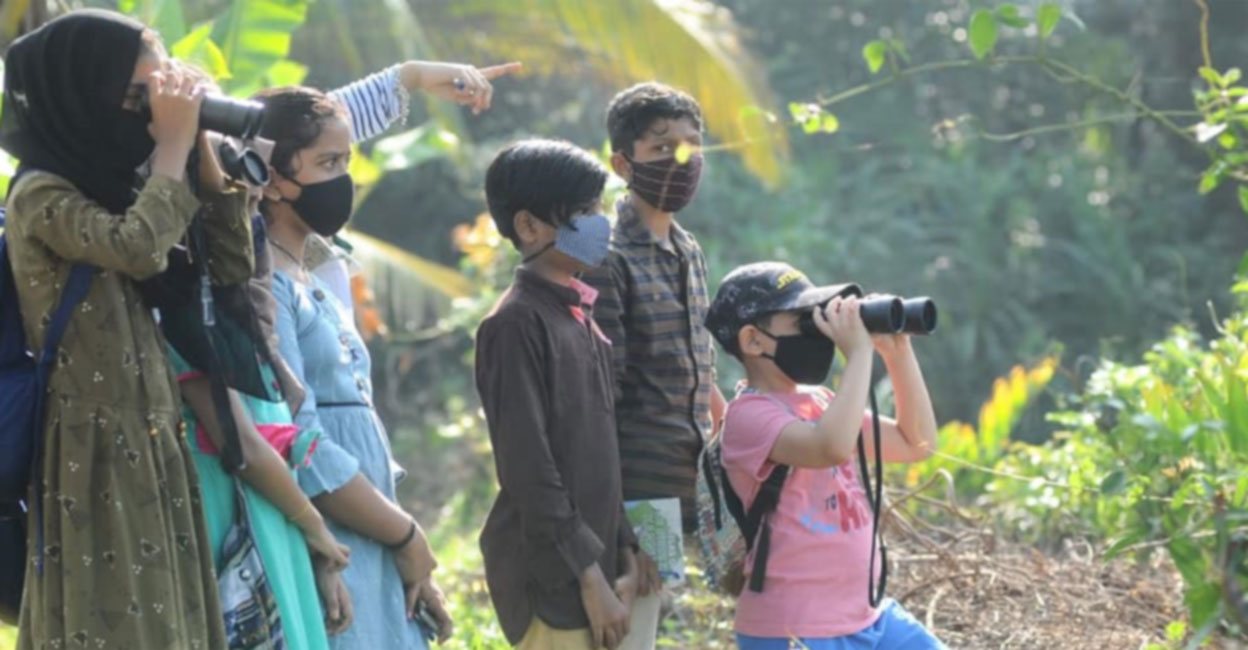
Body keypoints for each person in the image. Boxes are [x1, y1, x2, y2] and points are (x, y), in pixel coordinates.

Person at [254, 61, 515, 648]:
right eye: (327, 165)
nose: (342, 179)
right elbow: (301, 445)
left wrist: (412, 79)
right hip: (330, 538)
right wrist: (405, 536)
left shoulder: (319, 269)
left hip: (372, 528)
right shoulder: (264, 285)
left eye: (346, 162)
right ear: (268, 180)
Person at [0, 10, 238, 649]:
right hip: (88, 445)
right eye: (138, 97)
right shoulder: (39, 194)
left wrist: (202, 155)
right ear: (83, 93)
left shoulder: (130, 183)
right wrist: (171, 151)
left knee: (171, 623)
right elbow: (133, 248)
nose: (148, 114)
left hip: (152, 429)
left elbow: (234, 268)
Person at [703, 262, 945, 650]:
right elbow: (828, 448)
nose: (817, 331)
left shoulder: (821, 403)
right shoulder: (747, 417)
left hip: (869, 615)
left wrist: (897, 353)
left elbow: (916, 443)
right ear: (753, 340)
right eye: (803, 321)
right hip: (794, 629)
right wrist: (860, 354)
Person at [475, 139, 645, 650]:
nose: (600, 222)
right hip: (556, 584)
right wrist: (588, 577)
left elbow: (599, 452)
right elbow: (529, 467)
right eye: (583, 212)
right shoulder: (513, 324)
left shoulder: (578, 315)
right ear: (529, 226)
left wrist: (625, 552)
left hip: (601, 573)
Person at [580, 81, 724, 641]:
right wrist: (621, 527)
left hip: (693, 480)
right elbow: (601, 397)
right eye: (661, 148)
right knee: (637, 629)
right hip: (641, 496)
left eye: (691, 145)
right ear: (622, 162)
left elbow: (698, 361)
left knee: (661, 619)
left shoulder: (687, 248)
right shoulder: (607, 254)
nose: (679, 160)